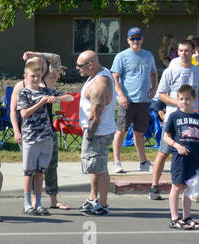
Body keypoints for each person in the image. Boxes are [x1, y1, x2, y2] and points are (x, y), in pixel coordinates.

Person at [148, 39, 199, 201]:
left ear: (193, 51)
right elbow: (162, 94)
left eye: (187, 51)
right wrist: (178, 103)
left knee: (193, 153)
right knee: (164, 152)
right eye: (181, 51)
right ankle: (154, 186)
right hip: (173, 119)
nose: (184, 54)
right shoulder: (170, 71)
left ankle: (195, 185)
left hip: (193, 120)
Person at [14, 50, 69, 210]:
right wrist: (17, 131)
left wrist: (35, 53)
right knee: (30, 169)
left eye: (41, 64)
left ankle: (53, 199)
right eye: (35, 64)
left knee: (50, 166)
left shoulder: (48, 81)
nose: (39, 67)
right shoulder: (21, 86)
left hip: (47, 131)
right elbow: (13, 111)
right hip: (29, 132)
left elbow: (57, 59)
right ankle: (31, 200)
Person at [110, 27, 158, 173]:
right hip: (127, 100)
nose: (135, 41)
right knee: (121, 130)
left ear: (142, 39)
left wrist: (154, 88)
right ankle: (117, 161)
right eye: (132, 38)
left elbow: (154, 73)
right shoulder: (121, 56)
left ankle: (143, 162)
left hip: (143, 100)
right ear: (128, 40)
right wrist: (121, 96)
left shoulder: (148, 55)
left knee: (139, 132)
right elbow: (115, 78)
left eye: (138, 38)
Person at [76, 50, 116, 215]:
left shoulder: (100, 84)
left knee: (100, 169)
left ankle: (103, 204)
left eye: (80, 66)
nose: (77, 68)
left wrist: (89, 135)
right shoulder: (97, 75)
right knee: (95, 167)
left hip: (98, 132)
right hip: (97, 131)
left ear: (90, 64)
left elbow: (95, 117)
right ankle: (93, 198)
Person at [162, 85, 199, 229]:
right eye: (181, 98)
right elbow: (166, 137)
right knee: (177, 186)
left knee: (188, 187)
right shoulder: (174, 116)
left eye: (187, 99)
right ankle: (175, 218)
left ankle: (187, 217)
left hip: (193, 158)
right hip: (179, 158)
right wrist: (177, 146)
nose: (184, 101)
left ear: (194, 100)